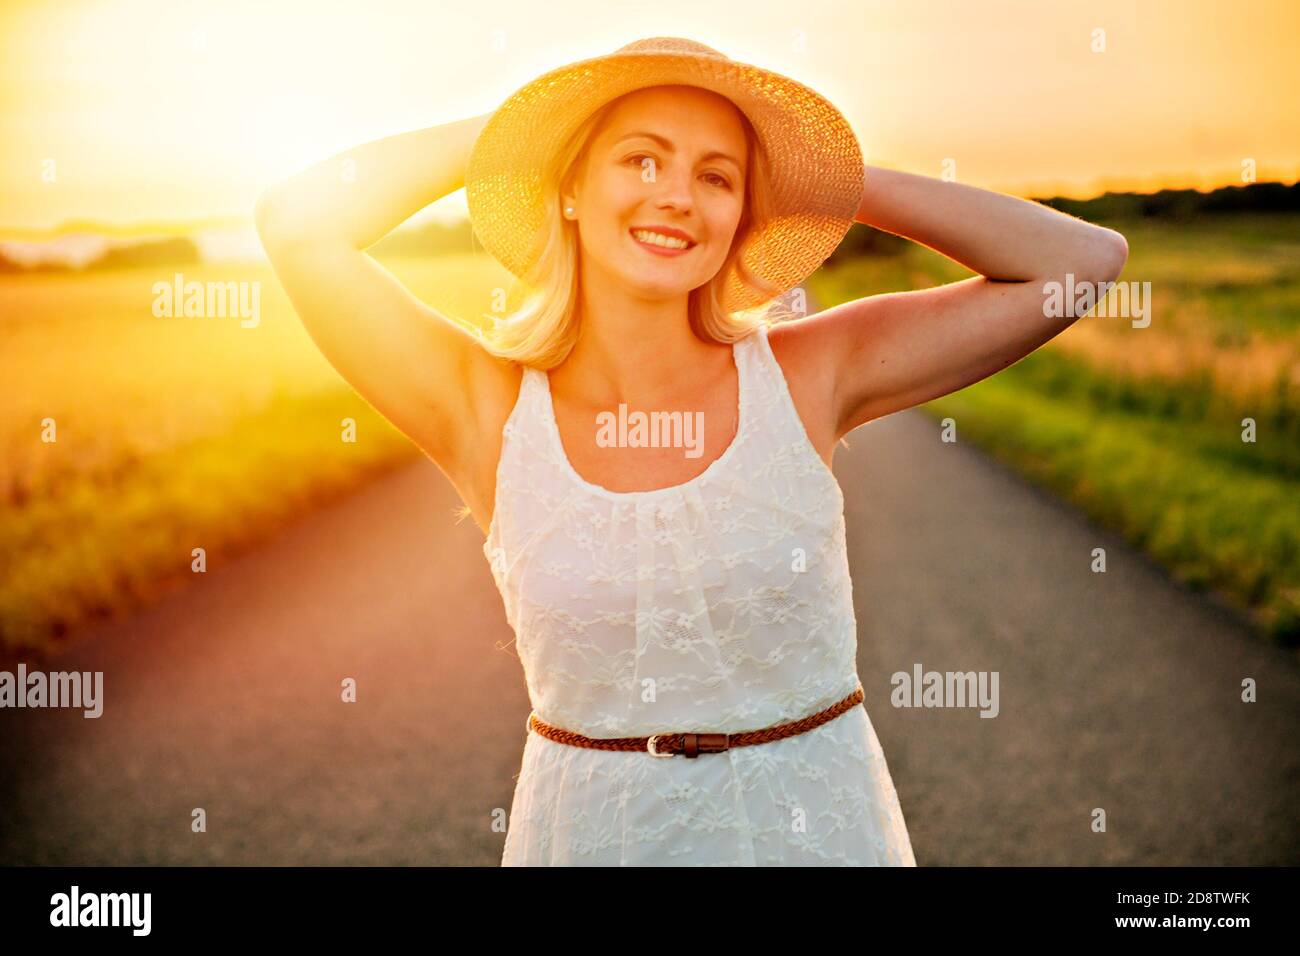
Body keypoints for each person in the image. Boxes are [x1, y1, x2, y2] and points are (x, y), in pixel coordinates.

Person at [254, 37, 1127, 865]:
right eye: (640, 159)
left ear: (745, 212)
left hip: (815, 832)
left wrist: (833, 181)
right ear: (568, 185)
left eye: (718, 176)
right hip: (597, 838)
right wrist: (527, 129)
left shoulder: (810, 372)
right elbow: (297, 223)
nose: (677, 195)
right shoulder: (485, 407)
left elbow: (1081, 260)